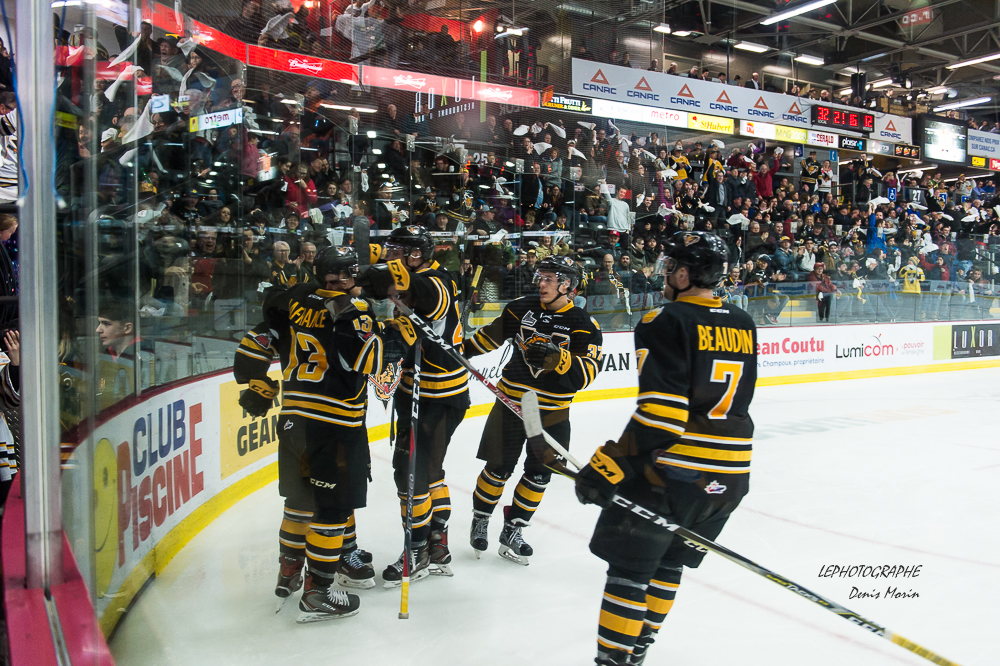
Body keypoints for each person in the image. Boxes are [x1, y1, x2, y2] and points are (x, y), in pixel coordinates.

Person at [575, 231, 757, 666]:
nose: (664, 273)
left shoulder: (665, 320)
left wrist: (613, 462)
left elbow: (662, 416)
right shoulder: (742, 320)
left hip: (673, 475)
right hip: (730, 478)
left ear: (686, 273)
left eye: (671, 265)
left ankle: (616, 661)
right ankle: (637, 653)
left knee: (631, 571)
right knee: (670, 564)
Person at [233, 247, 387, 622]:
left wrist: (253, 383)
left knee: (300, 503)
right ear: (349, 276)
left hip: (292, 422)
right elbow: (372, 365)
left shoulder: (293, 299)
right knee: (332, 510)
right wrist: (386, 331)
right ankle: (317, 592)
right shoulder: (357, 311)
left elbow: (256, 342)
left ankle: (288, 574)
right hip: (334, 426)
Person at [465, 256, 602, 564]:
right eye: (540, 277)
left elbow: (589, 374)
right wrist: (458, 351)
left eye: (549, 279)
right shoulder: (520, 307)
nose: (541, 283)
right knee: (497, 468)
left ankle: (514, 528)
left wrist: (559, 359)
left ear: (566, 285)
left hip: (553, 412)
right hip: (512, 404)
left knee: (539, 475)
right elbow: (489, 337)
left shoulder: (584, 324)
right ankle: (481, 517)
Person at [382, 226, 470, 583]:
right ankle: (437, 541)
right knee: (430, 471)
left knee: (409, 473)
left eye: (396, 250)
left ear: (414, 255)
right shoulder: (422, 276)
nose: (388, 255)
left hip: (436, 395)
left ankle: (416, 549)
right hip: (426, 390)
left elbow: (418, 294)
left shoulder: (433, 282)